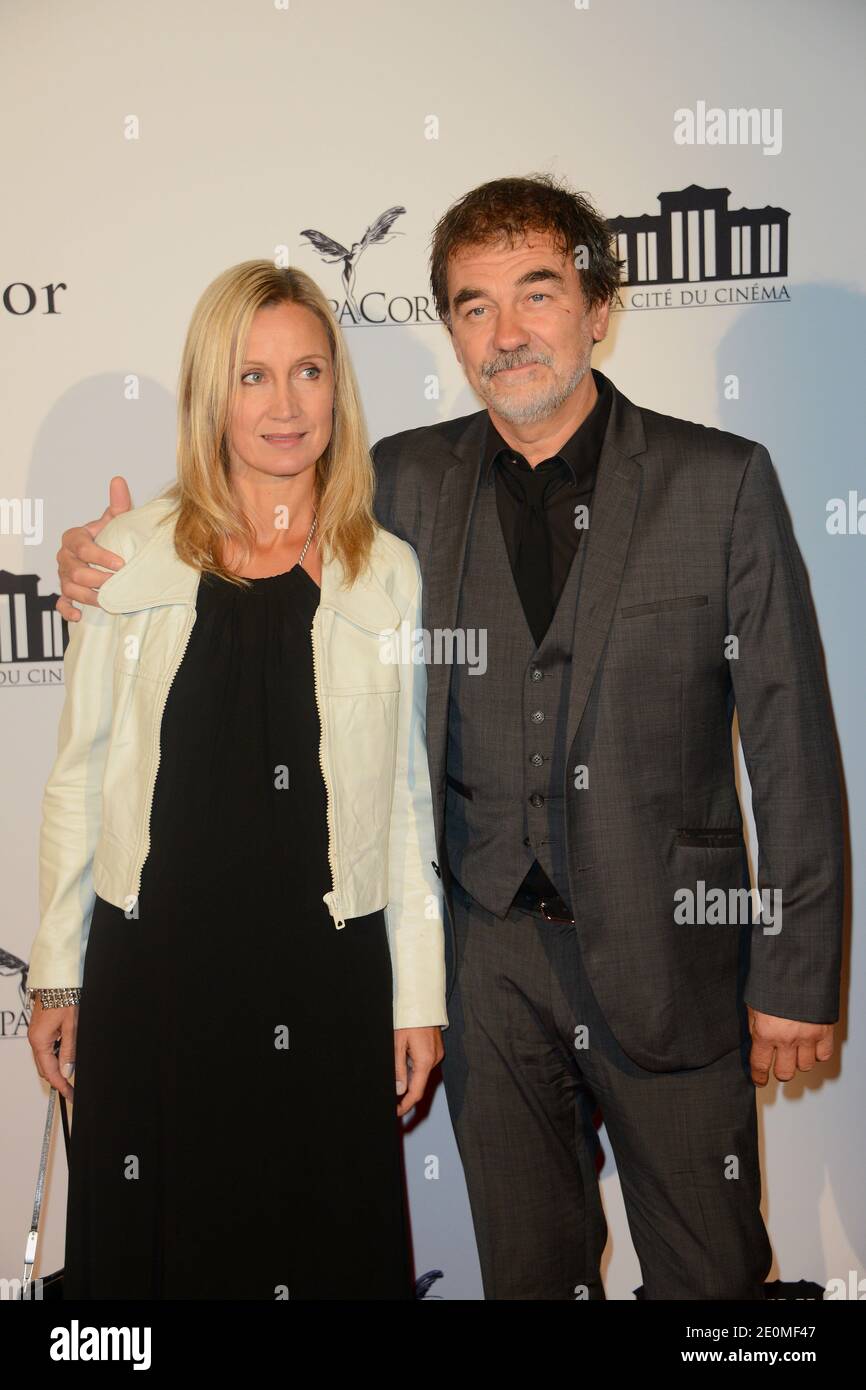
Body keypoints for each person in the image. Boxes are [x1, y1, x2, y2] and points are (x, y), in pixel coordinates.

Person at [54, 175, 844, 1301]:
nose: (507, 332)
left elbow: (791, 747)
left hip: (669, 964)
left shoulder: (718, 484)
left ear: (598, 306)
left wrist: (796, 974)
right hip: (485, 974)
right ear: (450, 332)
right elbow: (239, 503)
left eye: (535, 293)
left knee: (715, 1283)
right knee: (527, 1277)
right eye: (473, 306)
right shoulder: (403, 486)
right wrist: (102, 549)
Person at [27, 259, 447, 1301]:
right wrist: (56, 969)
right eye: (251, 376)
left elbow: (402, 799)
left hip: (326, 968)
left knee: (318, 1235)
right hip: (159, 972)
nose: (283, 404)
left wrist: (417, 994)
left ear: (335, 392)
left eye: (307, 372)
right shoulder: (126, 559)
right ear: (210, 393)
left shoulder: (382, 570)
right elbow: (77, 775)